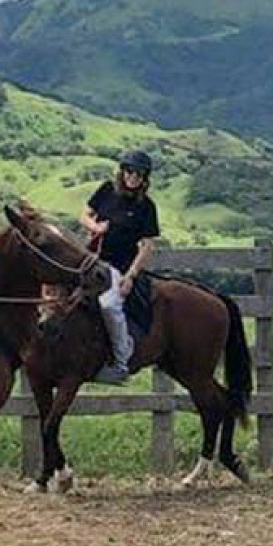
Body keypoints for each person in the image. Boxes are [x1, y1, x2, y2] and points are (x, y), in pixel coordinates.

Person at [80, 148, 161, 384]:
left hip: (119, 266)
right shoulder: (106, 191)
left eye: (139, 174)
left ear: (145, 178)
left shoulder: (146, 206)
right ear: (122, 172)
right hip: (92, 259)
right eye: (130, 171)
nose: (134, 177)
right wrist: (96, 228)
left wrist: (131, 276)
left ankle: (120, 362)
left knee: (108, 305)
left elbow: (147, 246)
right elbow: (84, 215)